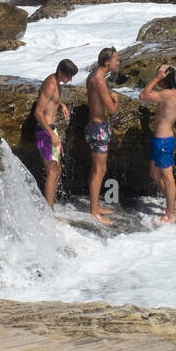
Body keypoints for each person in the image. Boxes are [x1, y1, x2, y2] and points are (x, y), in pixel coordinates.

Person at [140, 63, 176, 224]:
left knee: (167, 177)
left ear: (164, 80)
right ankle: (173, 204)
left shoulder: (167, 94)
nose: (158, 79)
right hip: (161, 140)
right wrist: (172, 68)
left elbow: (143, 96)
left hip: (163, 141)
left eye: (160, 77)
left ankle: (170, 214)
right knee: (154, 173)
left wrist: (156, 78)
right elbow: (173, 78)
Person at [32, 58, 77, 213]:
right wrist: (51, 134)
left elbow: (51, 102)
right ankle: (49, 212)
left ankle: (50, 208)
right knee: (52, 171)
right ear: (60, 72)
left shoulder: (56, 82)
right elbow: (38, 112)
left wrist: (61, 105)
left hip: (51, 130)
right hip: (45, 132)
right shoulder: (50, 84)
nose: (70, 79)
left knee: (56, 169)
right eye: (68, 76)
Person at [85, 47, 121, 225]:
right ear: (107, 62)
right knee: (99, 170)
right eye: (116, 60)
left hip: (96, 126)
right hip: (98, 128)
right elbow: (112, 110)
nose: (118, 63)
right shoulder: (99, 80)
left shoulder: (93, 76)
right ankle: (93, 211)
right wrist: (116, 99)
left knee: (98, 169)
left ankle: (95, 205)